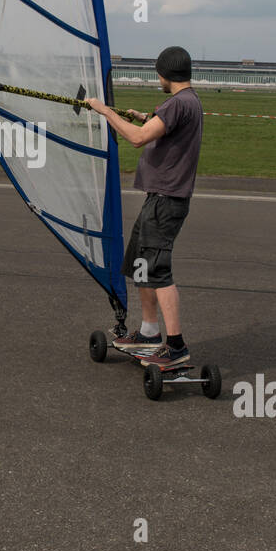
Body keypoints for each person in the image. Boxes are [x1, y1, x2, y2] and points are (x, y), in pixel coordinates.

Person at [87, 45, 203, 364]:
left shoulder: (178, 102)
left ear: (164, 74)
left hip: (166, 202)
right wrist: (146, 118)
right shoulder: (187, 101)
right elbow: (159, 130)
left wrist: (104, 111)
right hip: (159, 199)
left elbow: (138, 138)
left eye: (158, 74)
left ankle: (176, 345)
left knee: (157, 271)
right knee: (140, 266)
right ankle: (149, 332)